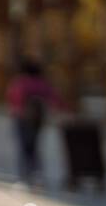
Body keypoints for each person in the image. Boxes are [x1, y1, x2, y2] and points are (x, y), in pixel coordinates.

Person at [5, 58, 65, 187]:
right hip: (38, 119)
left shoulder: (20, 82)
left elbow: (12, 98)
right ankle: (38, 175)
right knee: (35, 147)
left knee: (23, 148)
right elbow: (55, 98)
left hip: (21, 118)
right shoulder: (43, 83)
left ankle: (24, 177)